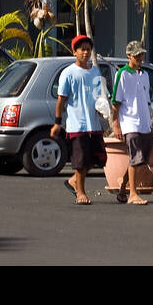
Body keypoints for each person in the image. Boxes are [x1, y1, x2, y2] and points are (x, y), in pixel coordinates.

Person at [51, 34, 107, 205]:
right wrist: (57, 123)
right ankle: (80, 191)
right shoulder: (68, 73)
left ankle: (73, 180)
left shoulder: (95, 71)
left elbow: (99, 95)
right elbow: (61, 100)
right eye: (82, 49)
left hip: (93, 123)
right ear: (74, 52)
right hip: (77, 123)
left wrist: (101, 108)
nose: (85, 52)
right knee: (80, 161)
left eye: (88, 49)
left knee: (99, 158)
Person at [110, 40, 152, 206]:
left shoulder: (145, 75)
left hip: (145, 123)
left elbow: (146, 100)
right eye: (137, 55)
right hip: (130, 122)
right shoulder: (122, 74)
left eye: (141, 54)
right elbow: (115, 102)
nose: (140, 57)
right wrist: (116, 124)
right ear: (129, 56)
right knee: (135, 157)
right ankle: (133, 194)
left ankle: (123, 187)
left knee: (141, 159)